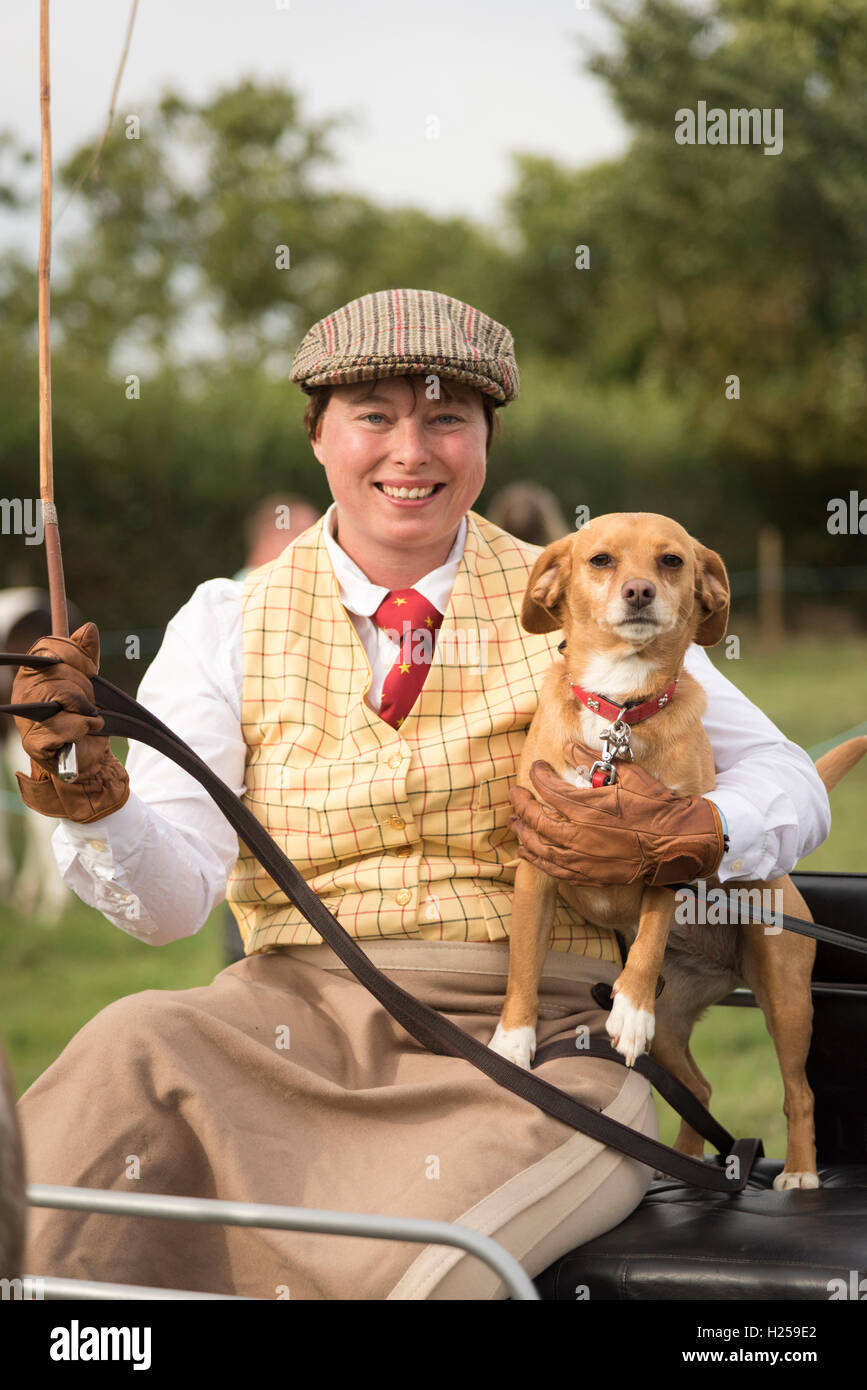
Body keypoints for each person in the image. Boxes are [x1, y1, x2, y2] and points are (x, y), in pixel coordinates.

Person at [10, 288, 830, 1300]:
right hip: (282, 1022)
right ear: (319, 437)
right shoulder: (228, 616)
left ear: (485, 438)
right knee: (125, 1052)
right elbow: (173, 901)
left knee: (419, 1266)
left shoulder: (583, 582)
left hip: (536, 1047)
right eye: (374, 416)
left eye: (447, 416)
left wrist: (696, 828)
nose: (413, 450)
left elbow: (791, 778)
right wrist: (102, 806)